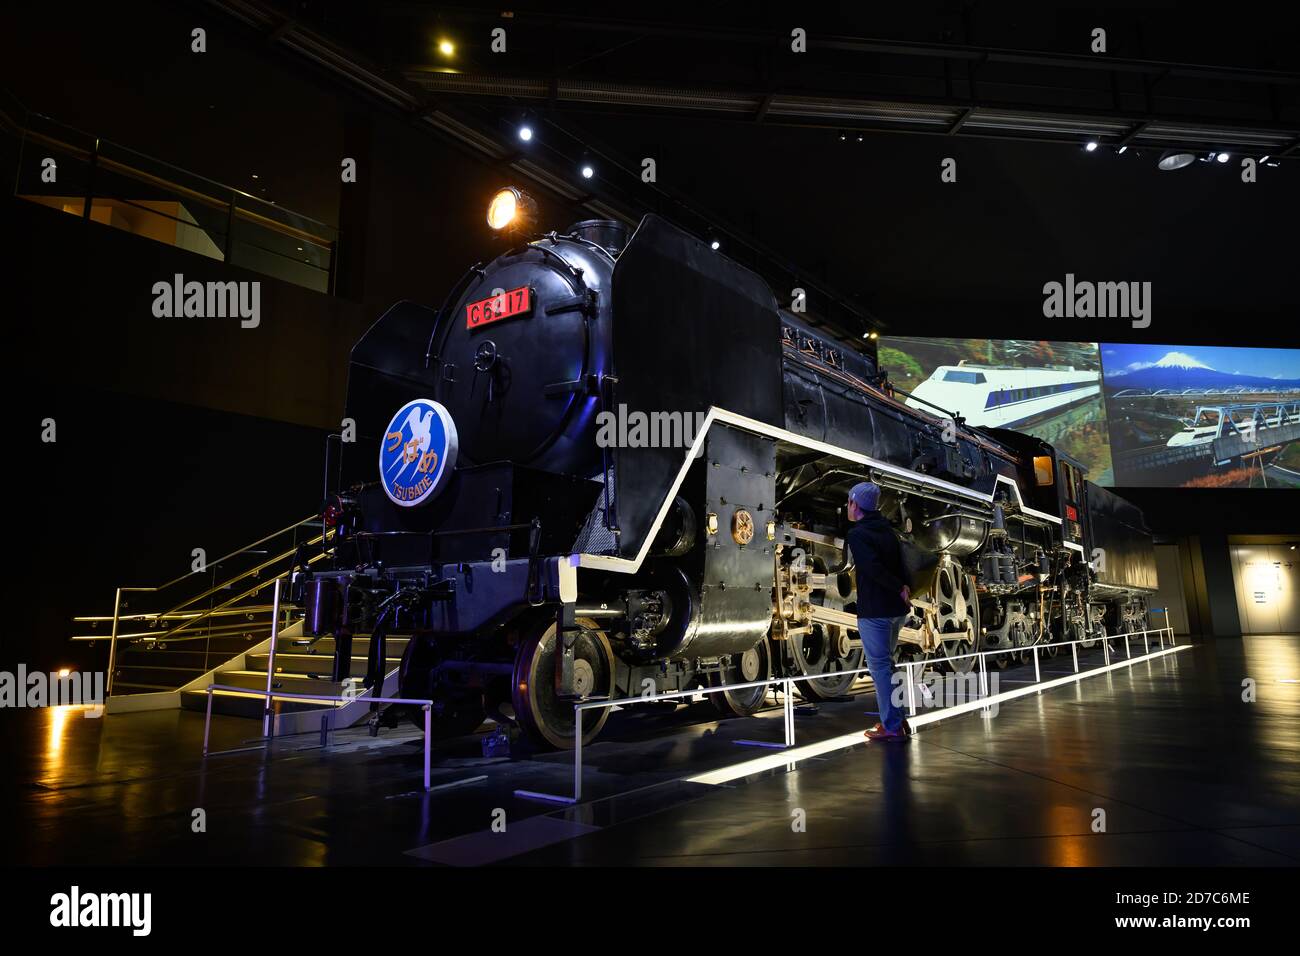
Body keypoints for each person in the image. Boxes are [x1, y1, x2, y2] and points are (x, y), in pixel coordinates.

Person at [845, 481, 912, 741]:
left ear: (855, 504)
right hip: (896, 611)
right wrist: (902, 589)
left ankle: (893, 726)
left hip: (875, 611)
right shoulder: (888, 530)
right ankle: (898, 718)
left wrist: (897, 587)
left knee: (881, 668)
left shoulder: (858, 534)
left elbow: (871, 568)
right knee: (888, 665)